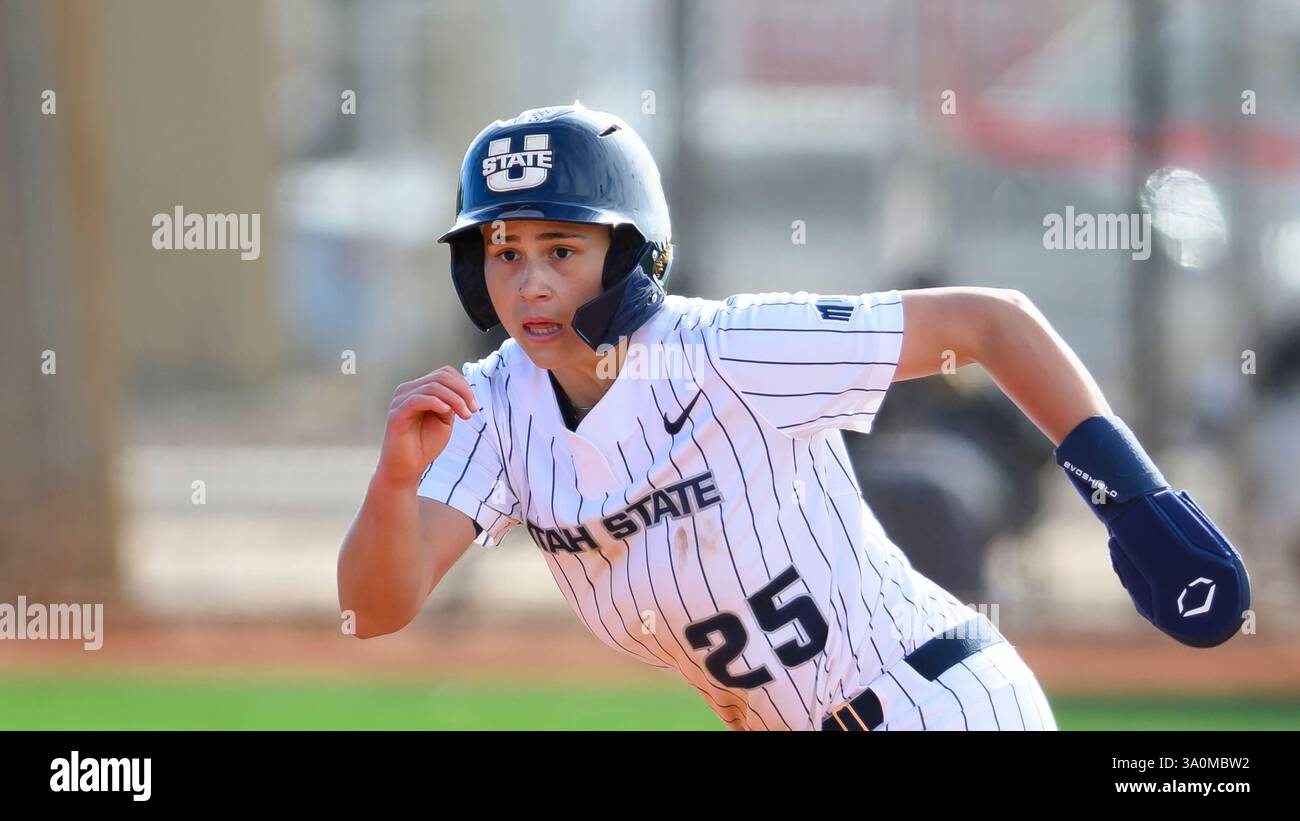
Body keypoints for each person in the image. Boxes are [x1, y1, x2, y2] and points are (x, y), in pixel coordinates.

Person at [337, 104, 1249, 731]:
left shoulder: (727, 350)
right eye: (503, 252)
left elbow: (989, 323)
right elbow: (375, 609)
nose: (529, 281)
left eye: (561, 247)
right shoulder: (494, 406)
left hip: (935, 703)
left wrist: (1134, 500)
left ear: (630, 255)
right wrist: (393, 481)